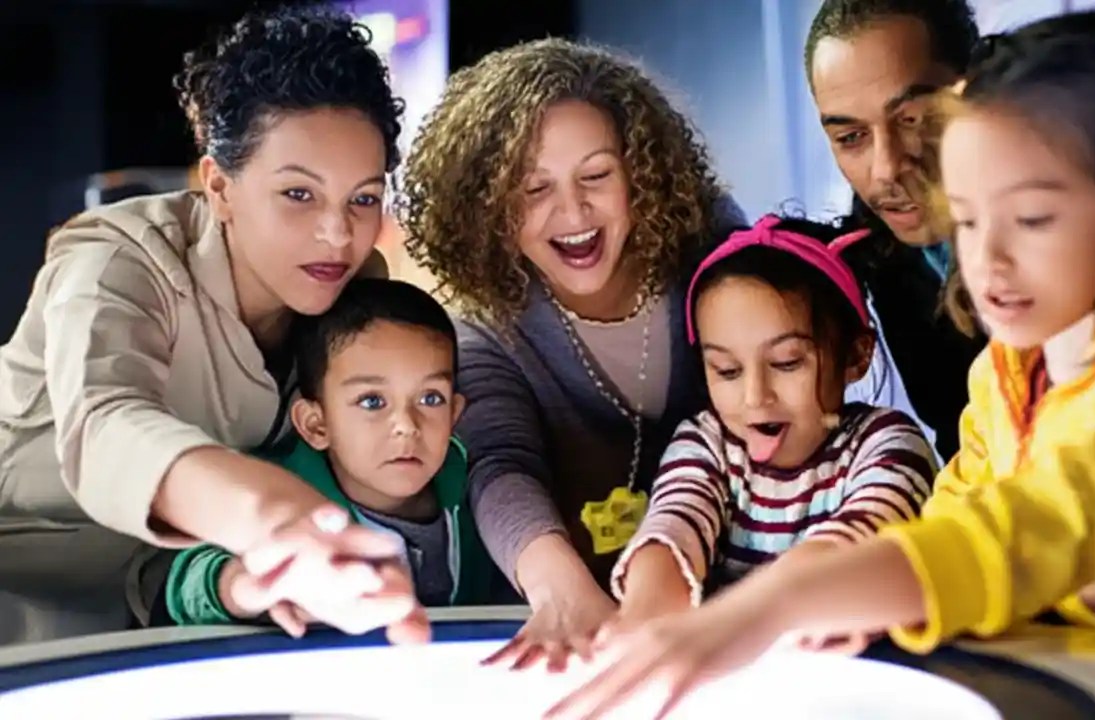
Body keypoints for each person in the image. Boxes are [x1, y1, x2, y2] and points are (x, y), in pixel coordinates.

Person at [545, 11, 1095, 717]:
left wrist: (784, 599)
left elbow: (1031, 524)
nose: (984, 260)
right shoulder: (1007, 371)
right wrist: (859, 603)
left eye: (1030, 219)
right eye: (966, 218)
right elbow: (951, 514)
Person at [0, 7, 427, 645]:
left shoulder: (356, 284)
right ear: (219, 186)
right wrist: (275, 515)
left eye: (362, 198)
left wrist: (265, 573)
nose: (338, 234)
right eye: (299, 194)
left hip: (180, 598)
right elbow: (106, 425)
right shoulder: (119, 258)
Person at [398, 38, 742, 670]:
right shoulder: (482, 322)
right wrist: (562, 589)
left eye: (596, 175)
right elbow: (499, 466)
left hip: (726, 617)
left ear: (640, 175)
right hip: (570, 631)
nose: (573, 211)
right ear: (489, 207)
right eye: (534, 189)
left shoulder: (714, 246)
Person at [603, 215, 935, 644]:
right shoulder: (706, 443)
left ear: (856, 355)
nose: (755, 396)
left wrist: (753, 617)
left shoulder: (888, 443)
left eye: (786, 363)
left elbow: (859, 542)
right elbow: (673, 527)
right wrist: (641, 619)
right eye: (727, 370)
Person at [165, 279, 498, 631]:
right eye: (372, 401)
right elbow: (188, 583)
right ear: (316, 425)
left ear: (455, 414)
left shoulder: (476, 489)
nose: (406, 425)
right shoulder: (280, 495)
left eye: (431, 398)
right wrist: (250, 584)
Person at [805, 0, 986, 459]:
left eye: (914, 120)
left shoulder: (1077, 222)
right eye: (851, 138)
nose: (886, 168)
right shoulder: (874, 247)